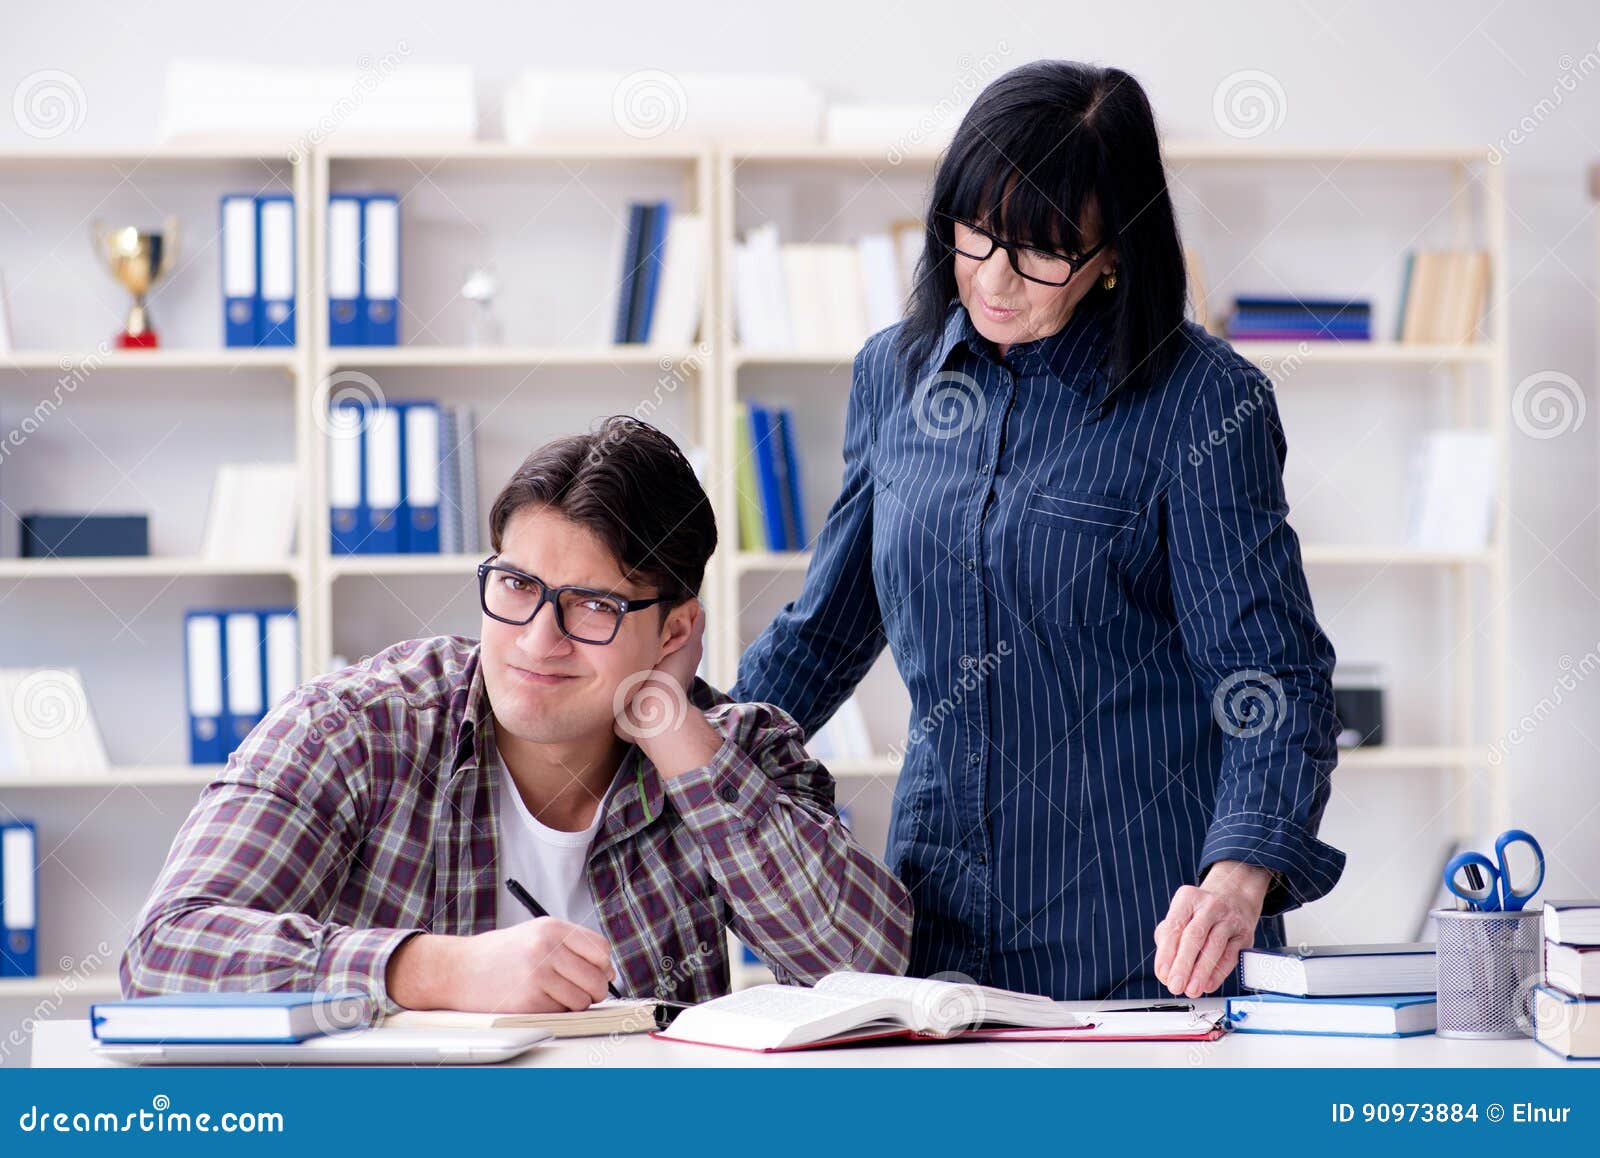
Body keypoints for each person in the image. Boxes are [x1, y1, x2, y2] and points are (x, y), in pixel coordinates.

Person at [733, 60, 1346, 1002]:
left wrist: (1239, 876)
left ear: (1113, 251)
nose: (993, 278)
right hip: (936, 934)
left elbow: (1271, 678)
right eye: (974, 233)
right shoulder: (893, 376)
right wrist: (677, 762)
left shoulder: (1202, 403)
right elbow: (824, 634)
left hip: (1142, 944)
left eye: (1041, 252)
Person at [122, 416, 911, 1013]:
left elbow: (869, 972)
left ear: (674, 632)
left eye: (592, 605)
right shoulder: (355, 728)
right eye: (517, 586)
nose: (538, 640)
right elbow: (164, 953)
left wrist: (669, 725)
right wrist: (436, 970)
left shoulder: (730, 754)